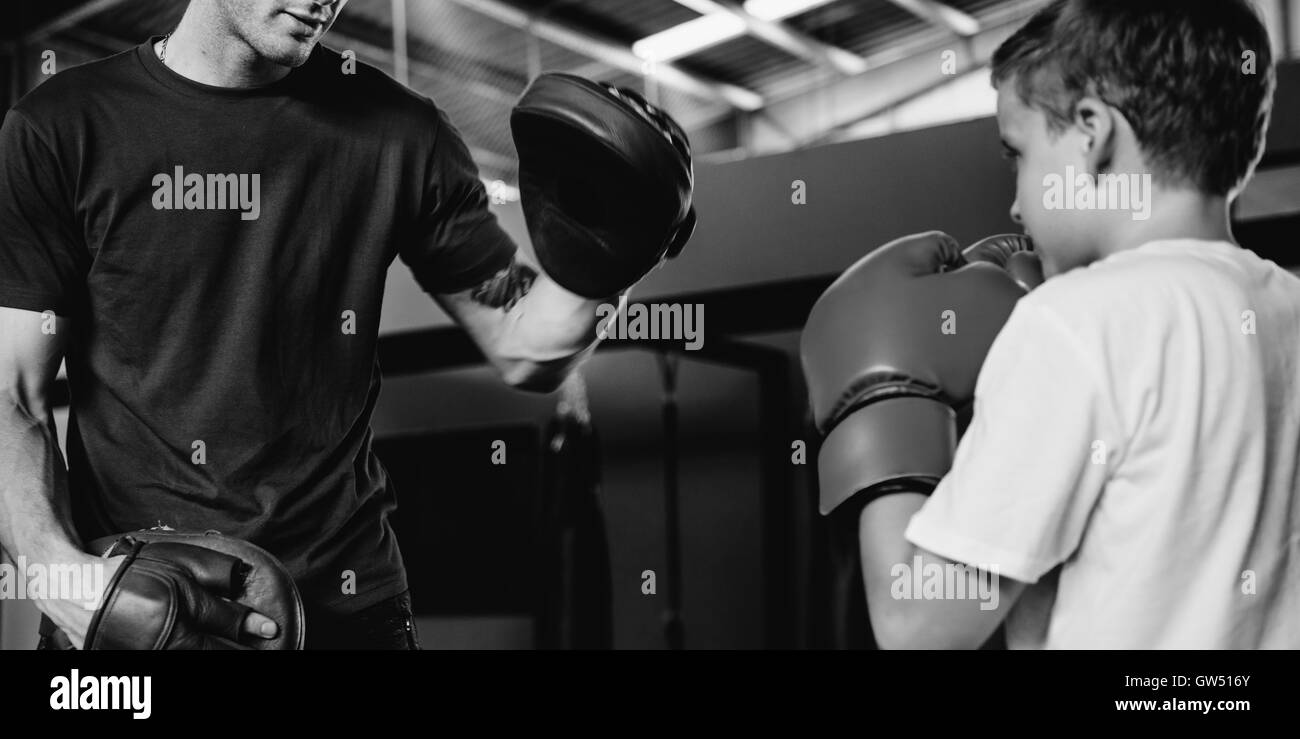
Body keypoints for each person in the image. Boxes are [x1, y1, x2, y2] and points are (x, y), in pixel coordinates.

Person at [0, 0, 690, 649]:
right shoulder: (63, 127)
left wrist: (605, 257)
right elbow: (11, 391)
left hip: (347, 606)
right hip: (132, 605)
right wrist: (62, 580)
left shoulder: (400, 132)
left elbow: (526, 347)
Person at [812, 0, 1299, 648]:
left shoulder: (1074, 322)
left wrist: (882, 400)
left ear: (1092, 131)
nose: (1015, 201)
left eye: (1017, 151)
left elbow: (918, 622)